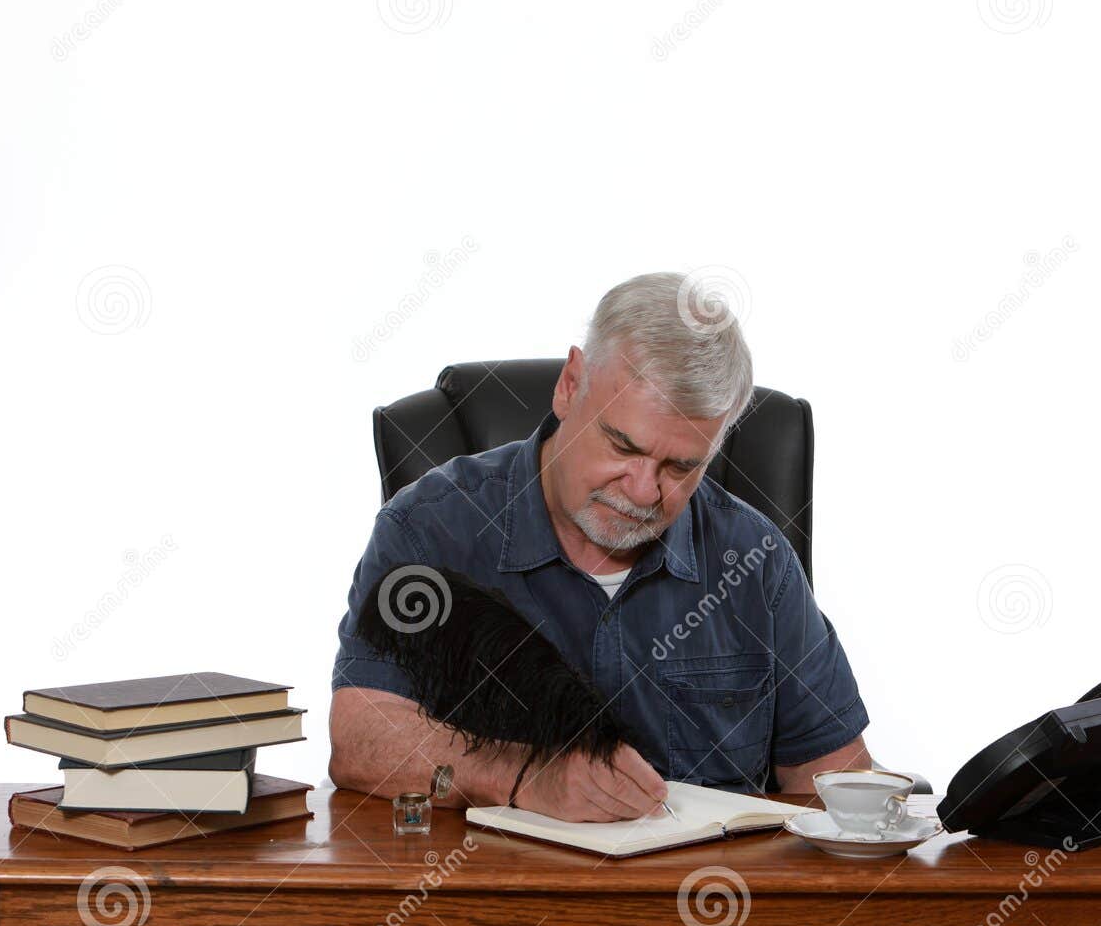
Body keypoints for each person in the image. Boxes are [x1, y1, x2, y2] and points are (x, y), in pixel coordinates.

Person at [329, 272, 874, 821]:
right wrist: (518, 777)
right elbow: (359, 741)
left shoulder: (755, 560)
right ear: (571, 384)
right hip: (490, 895)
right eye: (622, 444)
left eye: (681, 466)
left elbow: (834, 784)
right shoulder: (430, 527)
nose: (642, 491)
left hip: (707, 891)